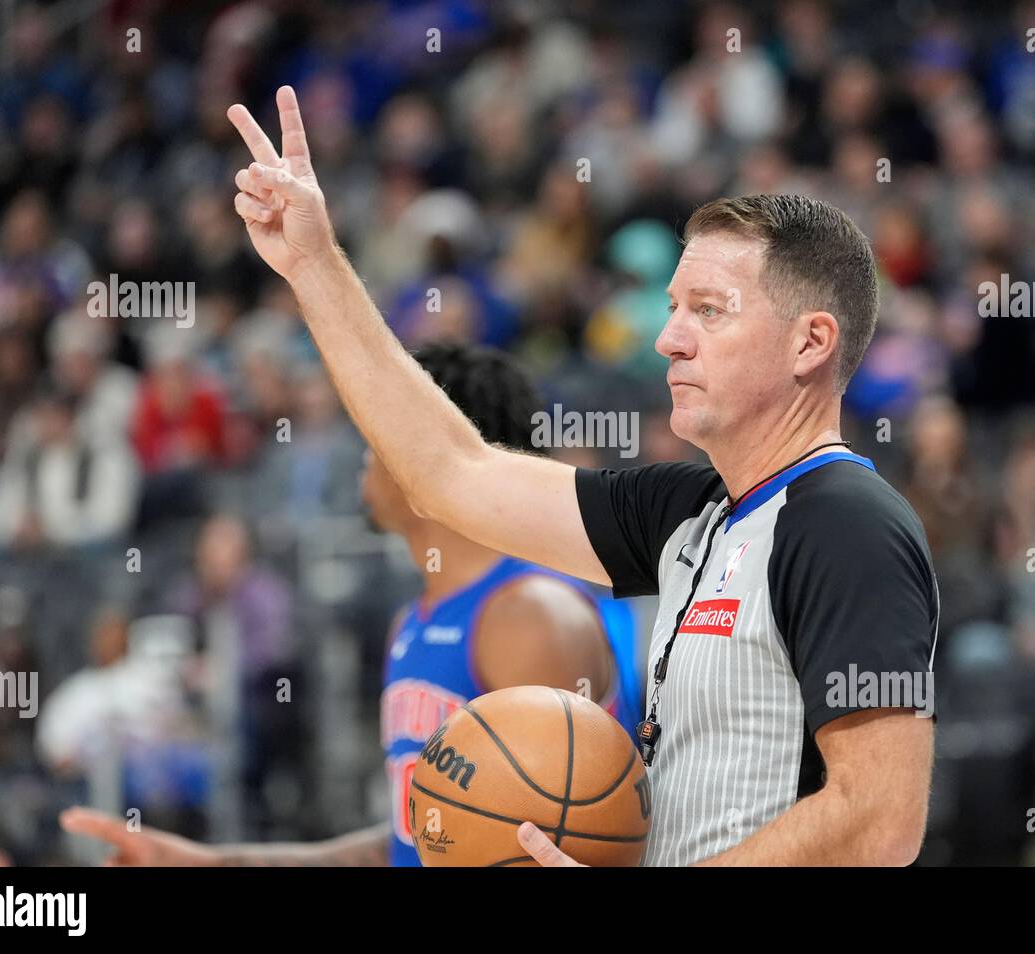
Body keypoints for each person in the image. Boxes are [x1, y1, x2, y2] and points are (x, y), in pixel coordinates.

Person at [206, 87, 939, 867]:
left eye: (709, 311)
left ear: (810, 343)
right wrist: (313, 265)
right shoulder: (686, 513)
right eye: (672, 308)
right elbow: (450, 471)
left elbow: (878, 819)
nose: (668, 340)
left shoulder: (849, 523)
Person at [61, 341, 643, 865]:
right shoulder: (411, 622)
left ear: (428, 448)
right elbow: (407, 846)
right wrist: (212, 864)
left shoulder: (530, 616)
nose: (363, 448)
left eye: (376, 426)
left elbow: (573, 838)